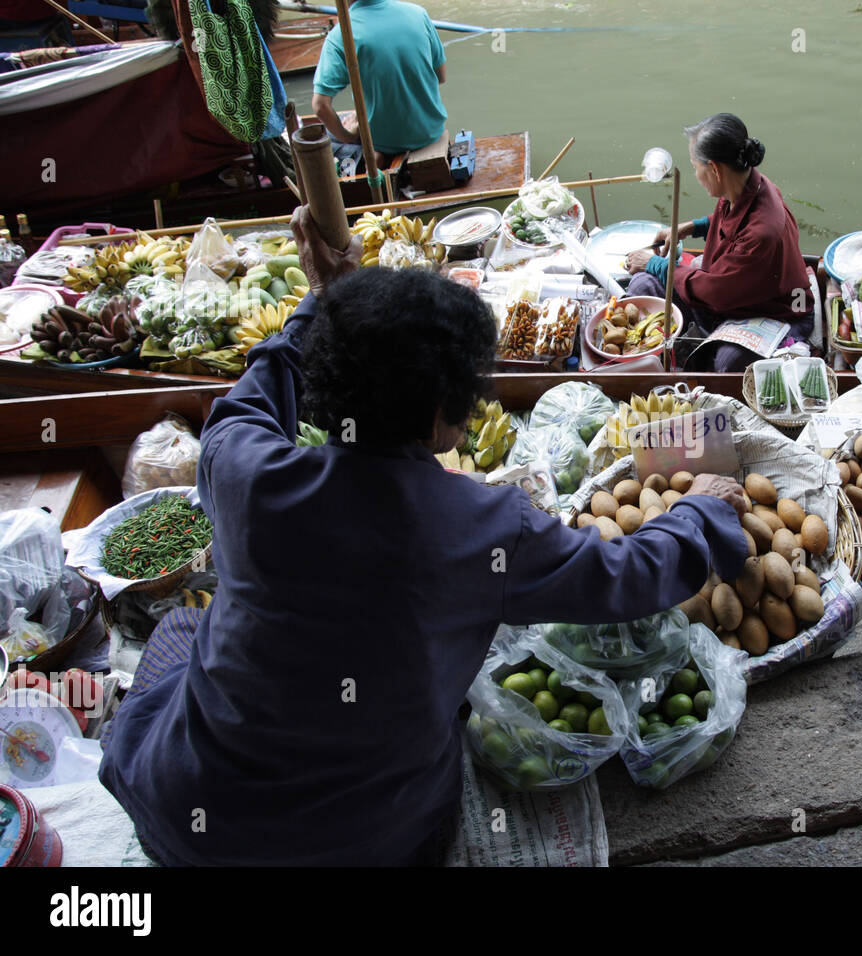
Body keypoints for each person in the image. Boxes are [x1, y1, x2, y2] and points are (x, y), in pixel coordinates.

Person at [97, 207, 749, 866]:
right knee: (434, 751)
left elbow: (257, 389)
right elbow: (627, 576)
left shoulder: (246, 473)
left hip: (187, 817)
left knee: (181, 631)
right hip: (366, 845)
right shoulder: (480, 527)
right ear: (442, 413)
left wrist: (323, 301)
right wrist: (700, 511)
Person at [626, 113, 813, 372]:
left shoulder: (762, 232)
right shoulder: (746, 184)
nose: (695, 174)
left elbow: (715, 291)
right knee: (642, 284)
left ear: (714, 169)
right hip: (730, 292)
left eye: (695, 166)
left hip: (776, 310)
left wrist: (655, 263)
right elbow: (730, 220)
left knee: (728, 362)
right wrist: (694, 227)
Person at [311, 0, 448, 168]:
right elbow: (440, 76)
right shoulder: (418, 13)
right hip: (431, 131)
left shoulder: (341, 34)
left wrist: (348, 136)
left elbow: (320, 106)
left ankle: (370, 156)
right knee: (352, 118)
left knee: (318, 140)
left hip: (384, 142)